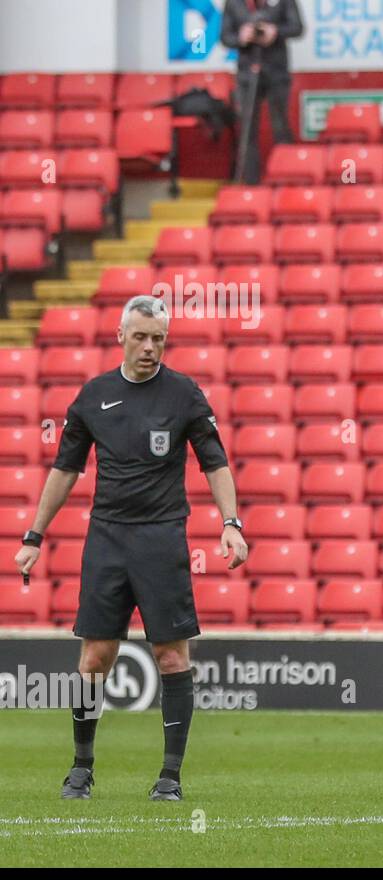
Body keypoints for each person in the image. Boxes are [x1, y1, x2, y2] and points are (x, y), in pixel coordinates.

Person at [12, 295, 248, 802]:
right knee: (94, 657)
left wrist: (231, 523)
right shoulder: (93, 396)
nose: (149, 347)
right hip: (107, 538)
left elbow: (215, 462)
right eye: (140, 337)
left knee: (170, 655)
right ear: (120, 336)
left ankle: (170, 777)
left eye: (158, 338)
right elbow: (65, 471)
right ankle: (81, 767)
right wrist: (35, 534)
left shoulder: (184, 394)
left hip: (163, 538)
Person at [221, 0, 304, 184]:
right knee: (247, 130)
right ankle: (251, 185)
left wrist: (275, 31)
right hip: (247, 73)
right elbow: (225, 37)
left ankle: (287, 180)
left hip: (276, 71)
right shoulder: (234, 3)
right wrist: (241, 37)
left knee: (281, 127)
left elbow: (297, 27)